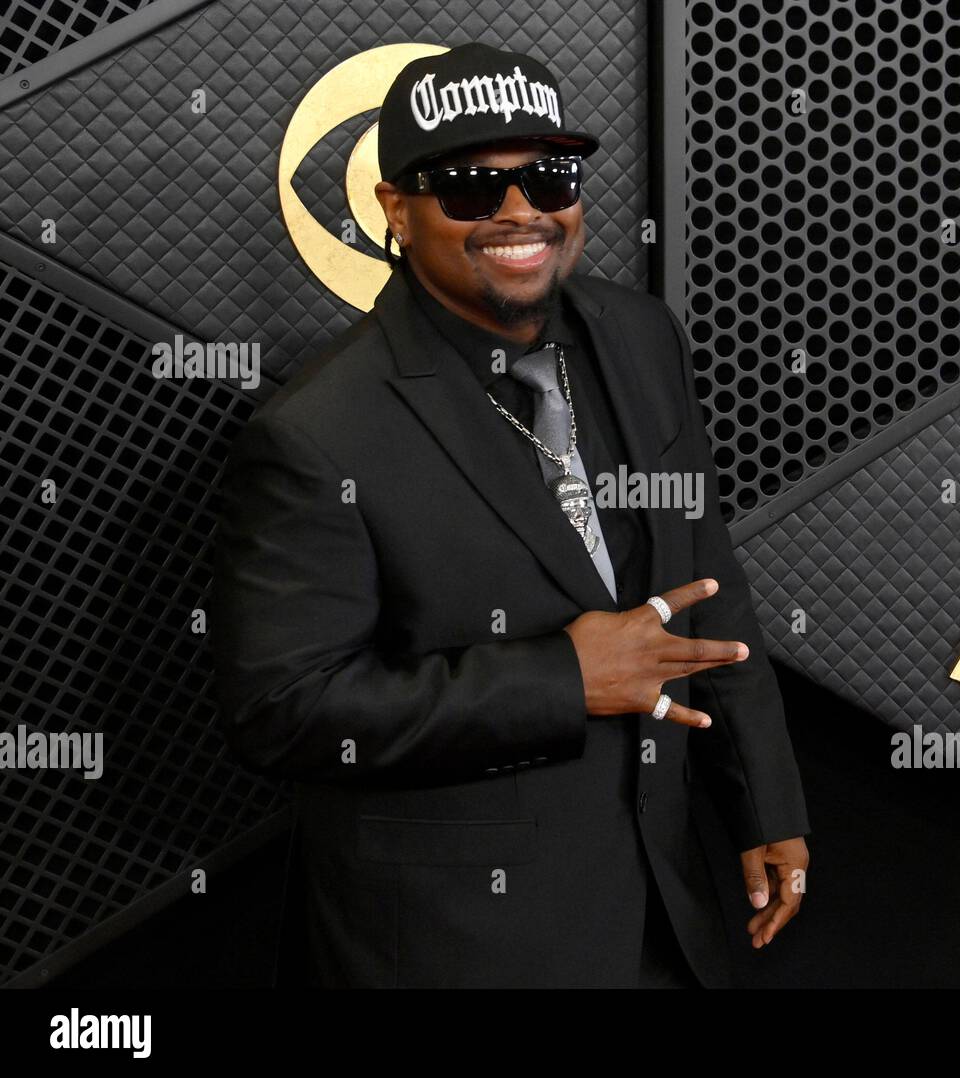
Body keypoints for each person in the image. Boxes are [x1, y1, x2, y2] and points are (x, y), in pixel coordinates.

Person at [210, 41, 810, 989]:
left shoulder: (640, 336)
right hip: (460, 946)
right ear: (394, 212)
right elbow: (283, 712)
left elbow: (706, 576)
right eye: (470, 188)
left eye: (548, 176)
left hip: (666, 903)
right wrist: (562, 678)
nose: (522, 211)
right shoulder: (317, 433)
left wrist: (765, 801)